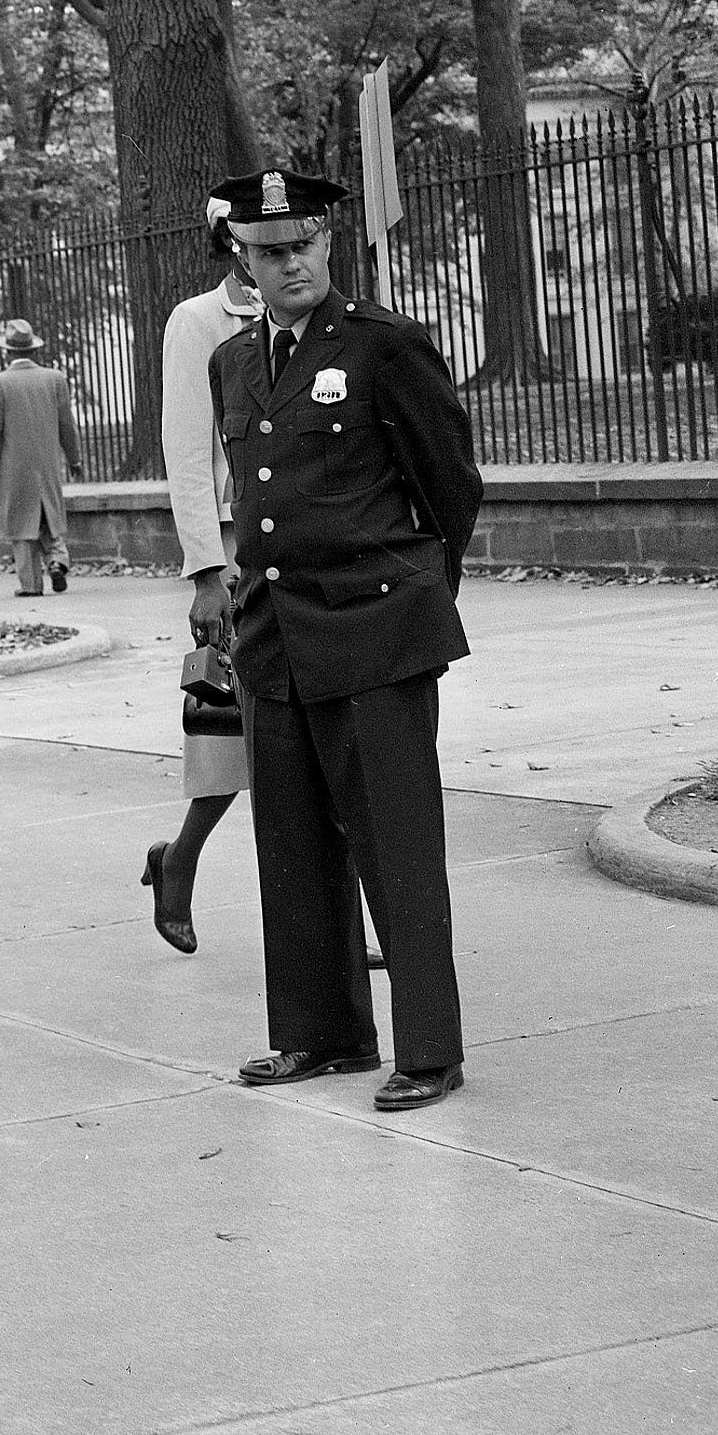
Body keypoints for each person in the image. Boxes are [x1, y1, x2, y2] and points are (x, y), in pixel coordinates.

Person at [206, 168, 484, 1114]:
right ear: (240, 263)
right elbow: (255, 497)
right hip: (277, 638)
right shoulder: (234, 364)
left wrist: (413, 597)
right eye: (269, 252)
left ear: (328, 244)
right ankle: (322, 1035)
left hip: (374, 631)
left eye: (304, 247)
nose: (291, 265)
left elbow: (451, 485)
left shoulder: (385, 347)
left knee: (396, 846)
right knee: (289, 844)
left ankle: (430, 1050)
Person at [145, 199, 264, 953]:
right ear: (230, 244)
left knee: (330, 738)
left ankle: (344, 918)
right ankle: (180, 861)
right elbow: (187, 449)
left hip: (307, 545)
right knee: (227, 730)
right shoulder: (198, 321)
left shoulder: (319, 310)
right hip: (235, 554)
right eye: (255, 239)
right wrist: (205, 572)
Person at [0, 319, 78, 596]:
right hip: (47, 465)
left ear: (8, 352)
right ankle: (58, 560)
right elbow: (66, 424)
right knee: (48, 516)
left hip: (13, 468)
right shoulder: (54, 379)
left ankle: (31, 585)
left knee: (21, 526)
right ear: (33, 349)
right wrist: (74, 459)